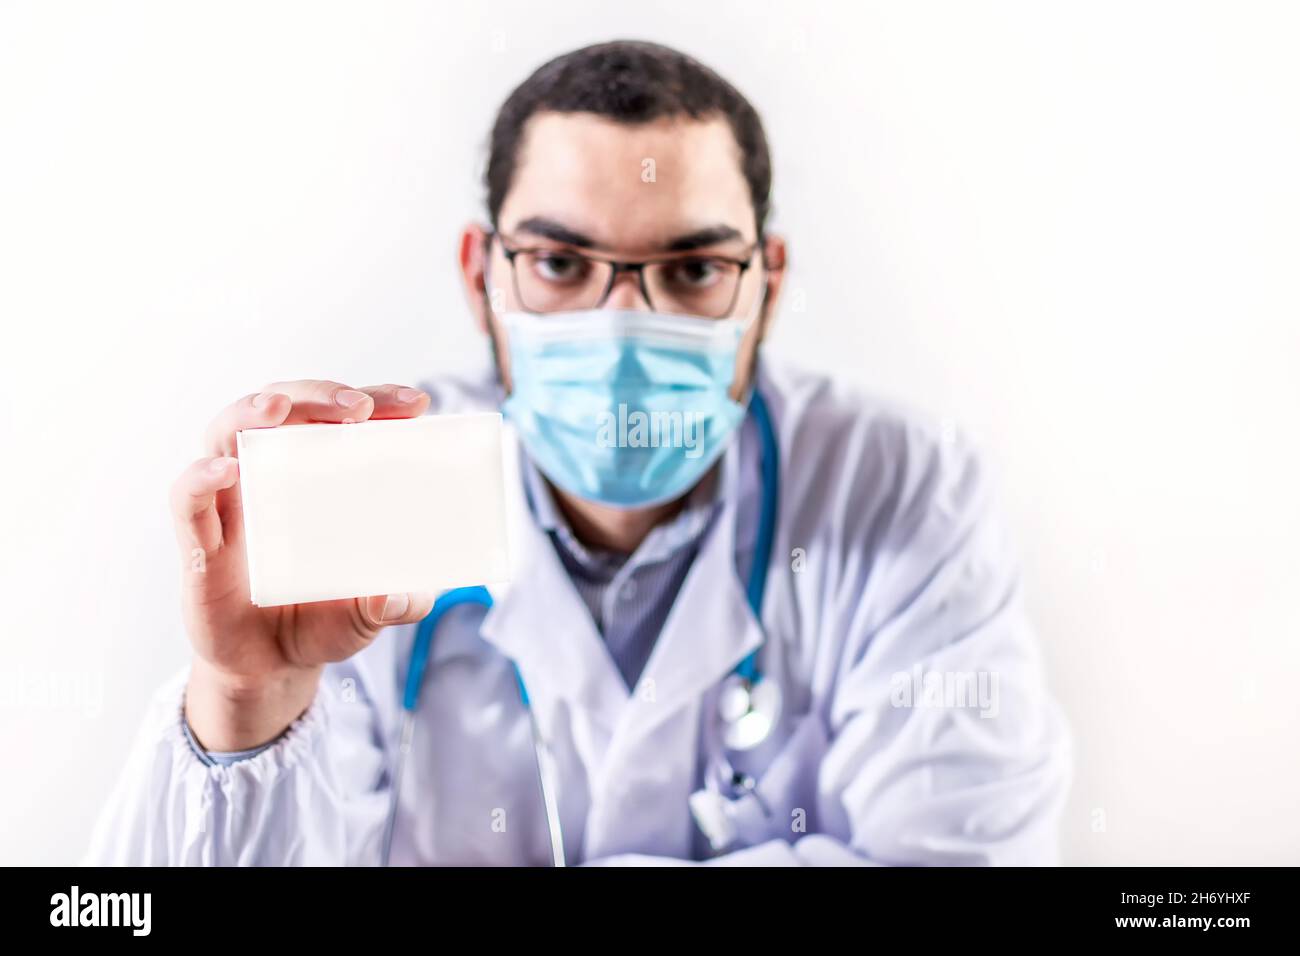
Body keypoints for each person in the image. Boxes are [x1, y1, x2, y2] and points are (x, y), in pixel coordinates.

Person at [87, 40, 1069, 866]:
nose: (622, 329)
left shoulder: (898, 490)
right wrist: (248, 698)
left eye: (692, 268)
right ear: (482, 275)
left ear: (766, 284)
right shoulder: (360, 506)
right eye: (560, 263)